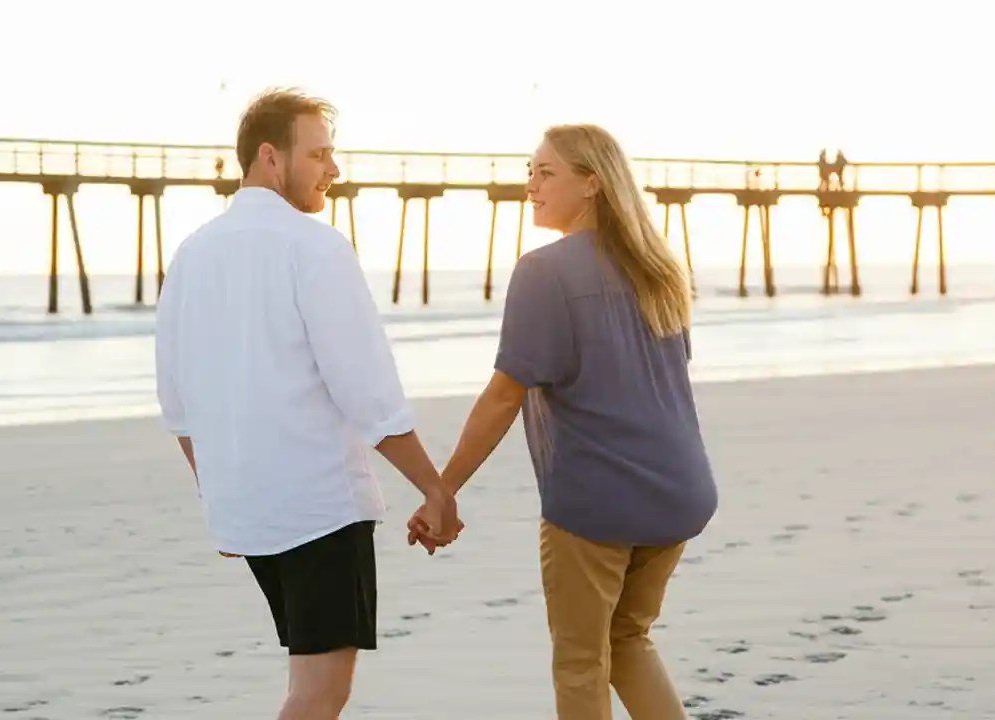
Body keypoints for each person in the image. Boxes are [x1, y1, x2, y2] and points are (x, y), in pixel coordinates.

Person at [154, 87, 461, 720]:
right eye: (319, 153)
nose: (334, 169)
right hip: (319, 509)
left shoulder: (191, 254)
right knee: (320, 693)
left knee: (311, 682)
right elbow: (368, 391)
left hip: (249, 511)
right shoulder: (315, 247)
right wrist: (434, 488)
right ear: (271, 157)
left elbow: (178, 402)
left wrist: (222, 496)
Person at [410, 124, 719, 719]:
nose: (531, 185)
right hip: (679, 493)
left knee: (580, 661)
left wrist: (441, 489)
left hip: (597, 506)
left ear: (592, 183)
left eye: (546, 172)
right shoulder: (659, 270)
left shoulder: (544, 271)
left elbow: (503, 398)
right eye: (530, 171)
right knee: (627, 639)